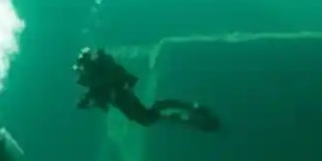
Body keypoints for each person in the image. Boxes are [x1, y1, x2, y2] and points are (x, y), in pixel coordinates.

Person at [74, 47, 221, 132]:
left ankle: (191, 113)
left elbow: (108, 88)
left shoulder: (98, 80)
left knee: (148, 118)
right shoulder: (96, 81)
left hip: (122, 96)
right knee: (149, 117)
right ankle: (190, 111)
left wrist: (97, 96)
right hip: (122, 95)